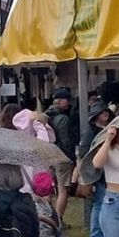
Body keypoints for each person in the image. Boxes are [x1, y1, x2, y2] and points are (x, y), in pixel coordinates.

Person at [76, 101, 115, 237]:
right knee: (99, 203)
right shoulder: (91, 133)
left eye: (106, 112)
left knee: (102, 203)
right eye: (102, 113)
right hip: (98, 173)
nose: (105, 114)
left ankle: (100, 234)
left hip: (107, 171)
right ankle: (96, 236)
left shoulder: (107, 129)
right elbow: (83, 153)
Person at [46, 88, 79, 218]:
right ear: (61, 101)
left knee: (48, 189)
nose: (69, 103)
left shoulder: (46, 115)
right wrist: (71, 157)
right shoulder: (63, 118)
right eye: (67, 100)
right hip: (61, 157)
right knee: (62, 190)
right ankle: (58, 221)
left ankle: (46, 216)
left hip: (48, 155)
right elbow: (66, 140)